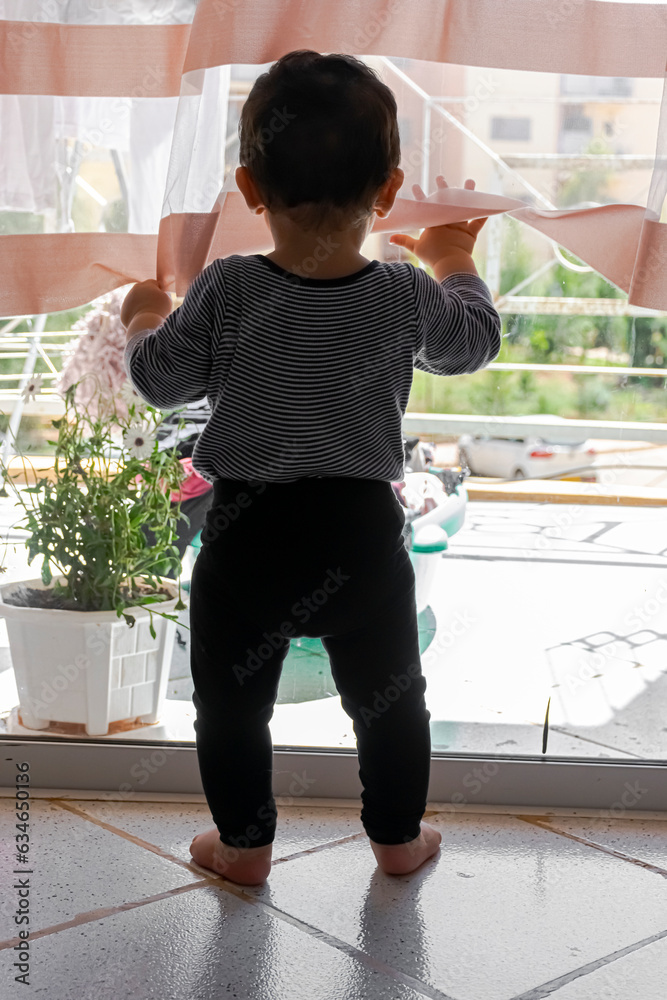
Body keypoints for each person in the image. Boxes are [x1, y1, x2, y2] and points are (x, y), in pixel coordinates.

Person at [120, 50, 501, 886]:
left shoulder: (226, 289)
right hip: (359, 533)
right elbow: (473, 343)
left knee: (230, 707)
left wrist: (146, 315)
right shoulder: (403, 294)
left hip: (246, 534)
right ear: (390, 190)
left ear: (250, 189)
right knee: (390, 700)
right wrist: (451, 259)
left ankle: (244, 848)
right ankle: (398, 840)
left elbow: (157, 380)